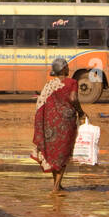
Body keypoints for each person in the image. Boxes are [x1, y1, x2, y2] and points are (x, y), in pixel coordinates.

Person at [31, 57, 82, 194]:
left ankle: (57, 185)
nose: (69, 68)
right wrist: (81, 112)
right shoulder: (72, 82)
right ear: (64, 69)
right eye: (67, 66)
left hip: (50, 124)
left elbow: (41, 103)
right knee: (64, 154)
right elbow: (73, 99)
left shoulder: (49, 84)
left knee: (55, 153)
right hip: (66, 124)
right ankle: (56, 187)